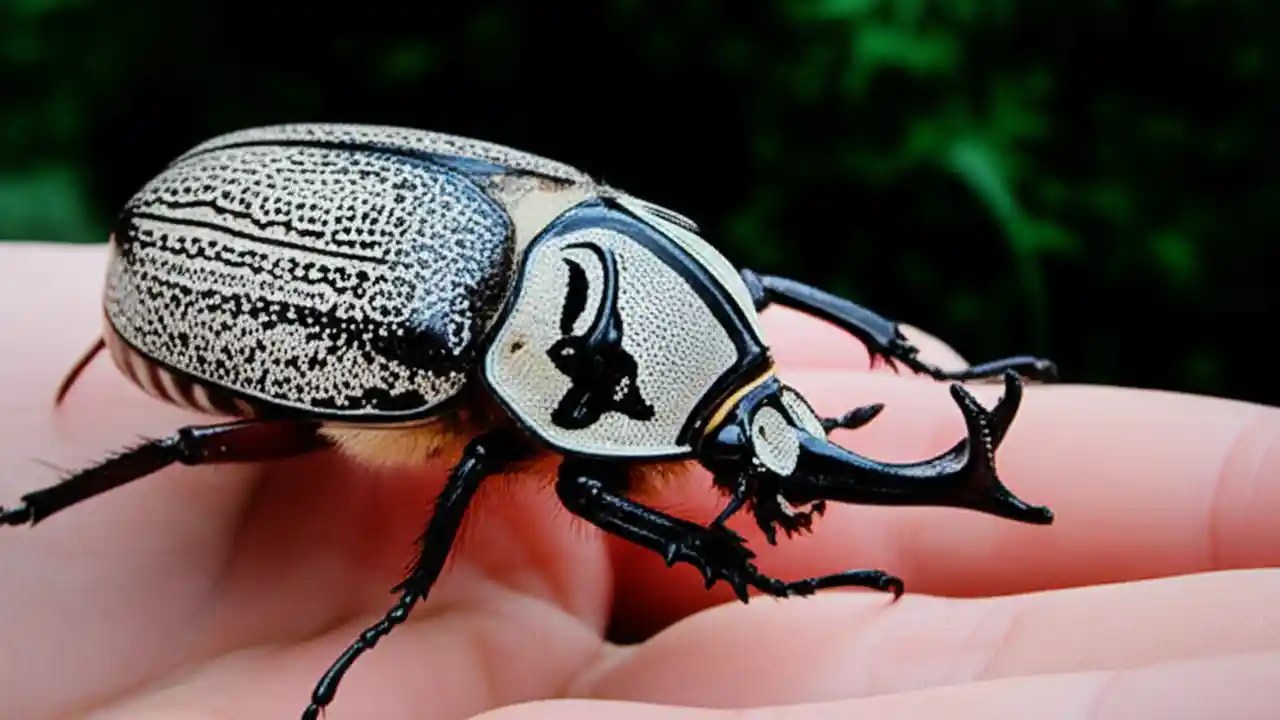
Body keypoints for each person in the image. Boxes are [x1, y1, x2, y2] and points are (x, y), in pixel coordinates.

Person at [1, 241, 1276, 720]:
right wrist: (402, 608)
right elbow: (553, 485)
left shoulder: (615, 249)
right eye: (741, 433)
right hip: (187, 302)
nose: (759, 462)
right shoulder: (495, 386)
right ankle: (25, 512)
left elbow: (757, 293)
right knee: (190, 442)